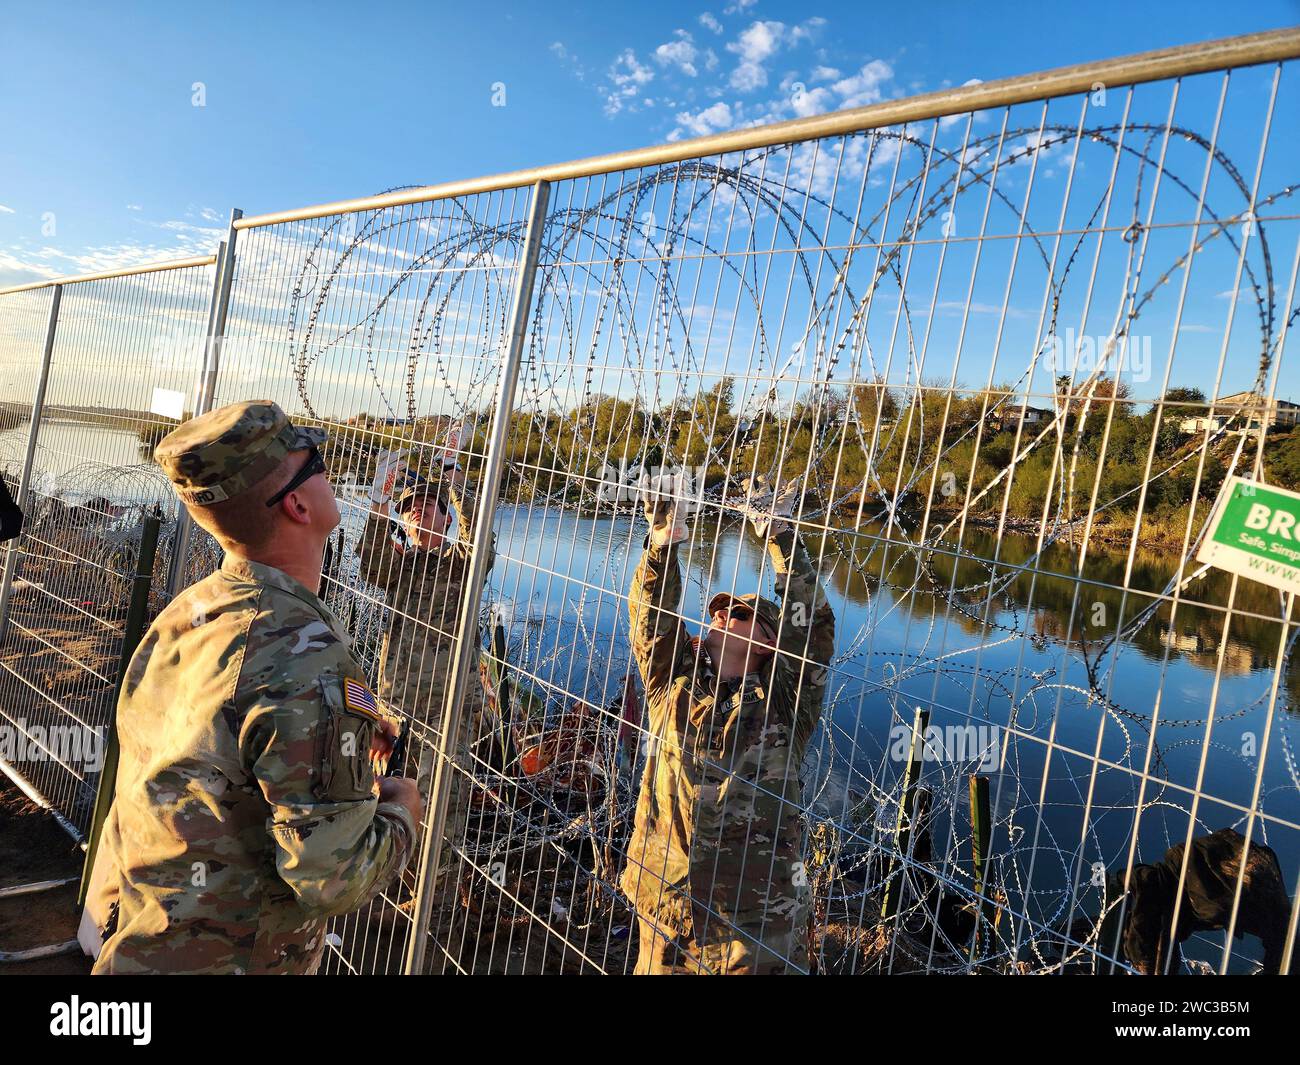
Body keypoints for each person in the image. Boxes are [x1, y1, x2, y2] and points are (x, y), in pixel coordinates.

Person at [90, 400, 423, 975]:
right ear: (296, 504)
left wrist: (349, 727)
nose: (330, 473)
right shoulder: (301, 652)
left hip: (146, 945)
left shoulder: (185, 616)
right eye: (316, 462)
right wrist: (400, 812)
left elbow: (212, 748)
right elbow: (330, 880)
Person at [622, 475, 835, 975]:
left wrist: (781, 538)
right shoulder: (671, 687)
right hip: (666, 906)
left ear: (768, 643)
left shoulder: (786, 703)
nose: (720, 618)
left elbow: (813, 628)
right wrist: (662, 545)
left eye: (738, 614)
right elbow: (649, 619)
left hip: (756, 924)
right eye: (716, 613)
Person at [354, 443, 494, 904]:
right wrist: (378, 500)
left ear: (445, 519)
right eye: (409, 508)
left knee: (443, 802)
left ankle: (436, 895)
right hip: (398, 703)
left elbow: (481, 537)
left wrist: (455, 481)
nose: (417, 514)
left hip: (449, 702)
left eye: (428, 508)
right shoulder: (400, 565)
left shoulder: (461, 564)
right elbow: (370, 561)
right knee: (393, 791)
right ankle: (394, 879)